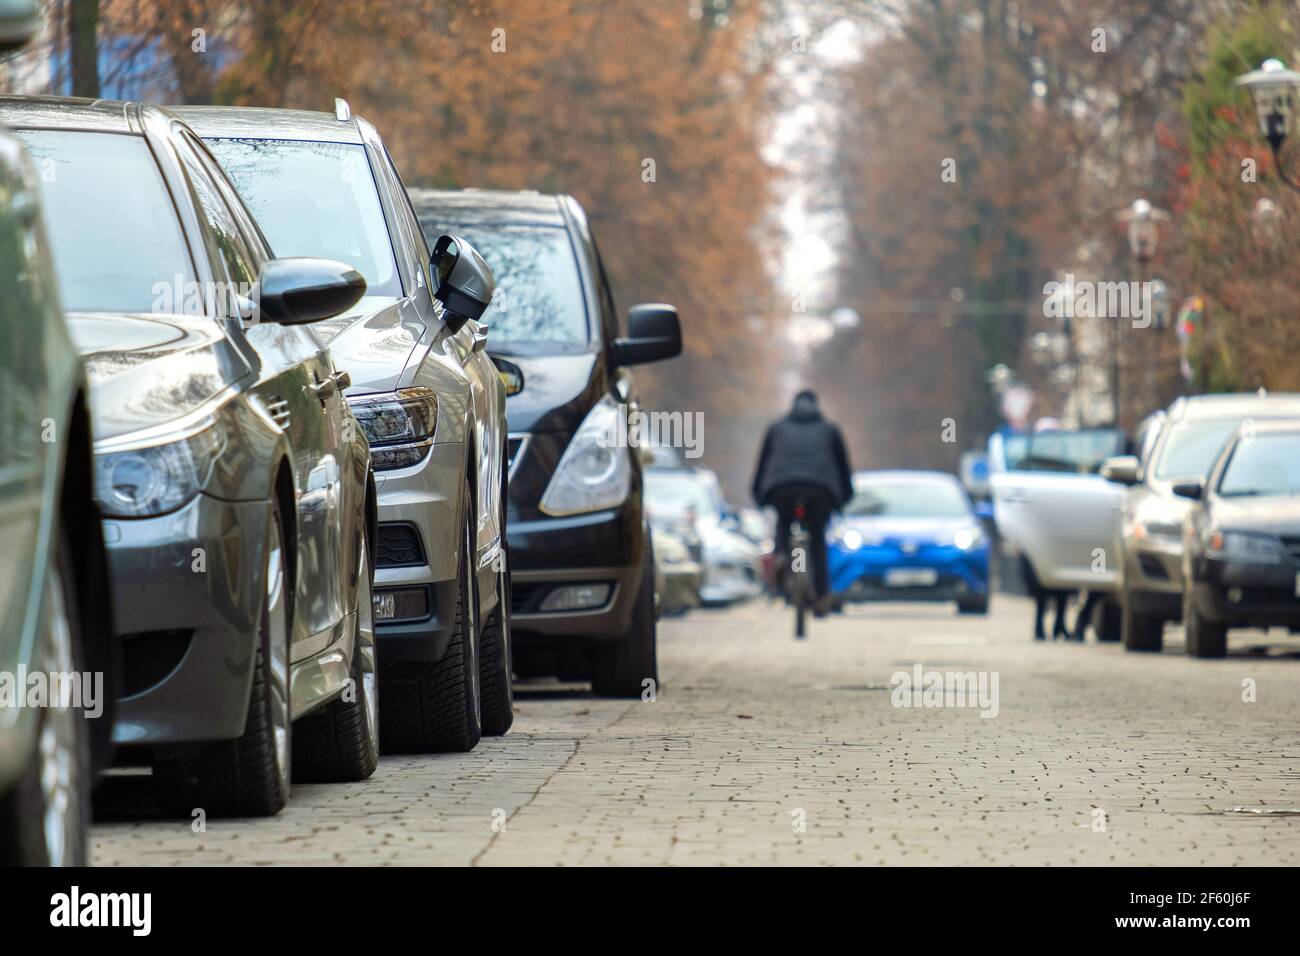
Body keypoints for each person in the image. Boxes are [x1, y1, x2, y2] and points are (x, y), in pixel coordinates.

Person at [751, 390, 853, 616]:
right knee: (817, 540)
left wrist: (760, 496)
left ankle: (782, 560)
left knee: (784, 527)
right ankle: (821, 595)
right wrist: (845, 499)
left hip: (782, 487)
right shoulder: (830, 429)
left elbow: (763, 464)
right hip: (820, 489)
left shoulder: (777, 428)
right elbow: (843, 467)